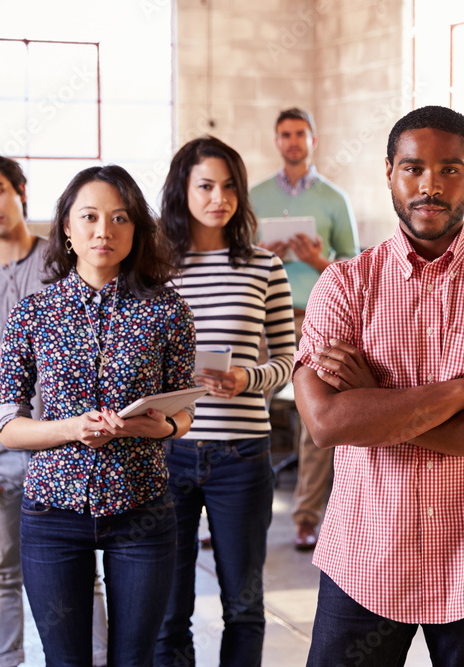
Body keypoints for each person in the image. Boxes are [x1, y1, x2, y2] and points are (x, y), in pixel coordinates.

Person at [293, 105, 464, 667]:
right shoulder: (344, 285)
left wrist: (377, 406)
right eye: (413, 168)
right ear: (389, 172)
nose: (430, 186)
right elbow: (326, 423)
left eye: (449, 169)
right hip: (363, 557)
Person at [0, 164, 197, 666]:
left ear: (136, 228)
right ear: (67, 227)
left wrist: (163, 426)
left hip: (142, 508)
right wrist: (71, 429)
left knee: (134, 660)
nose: (104, 230)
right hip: (52, 515)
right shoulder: (33, 313)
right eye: (90, 217)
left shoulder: (168, 311)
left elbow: (183, 410)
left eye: (120, 218)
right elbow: (7, 425)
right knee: (66, 661)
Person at [0, 151, 107, 667]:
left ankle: (97, 660)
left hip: (68, 448)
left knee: (82, 575)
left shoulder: (70, 262)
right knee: (1, 576)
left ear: (20, 191)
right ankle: (5, 661)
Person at [155, 136, 295, 666]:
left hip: (242, 455)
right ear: (182, 191)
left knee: (243, 605)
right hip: (168, 452)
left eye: (230, 186)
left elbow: (291, 358)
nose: (220, 198)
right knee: (168, 611)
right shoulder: (154, 269)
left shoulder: (264, 266)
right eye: (206, 186)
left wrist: (247, 378)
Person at [249, 107, 360, 550]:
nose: (293, 141)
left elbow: (353, 268)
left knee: (317, 418)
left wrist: (316, 260)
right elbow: (239, 260)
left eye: (300, 134)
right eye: (285, 134)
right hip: (263, 316)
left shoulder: (334, 198)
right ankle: (240, 508)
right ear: (277, 141)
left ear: (313, 140)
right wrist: (263, 254)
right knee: (244, 410)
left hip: (316, 317)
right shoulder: (254, 196)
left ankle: (306, 518)